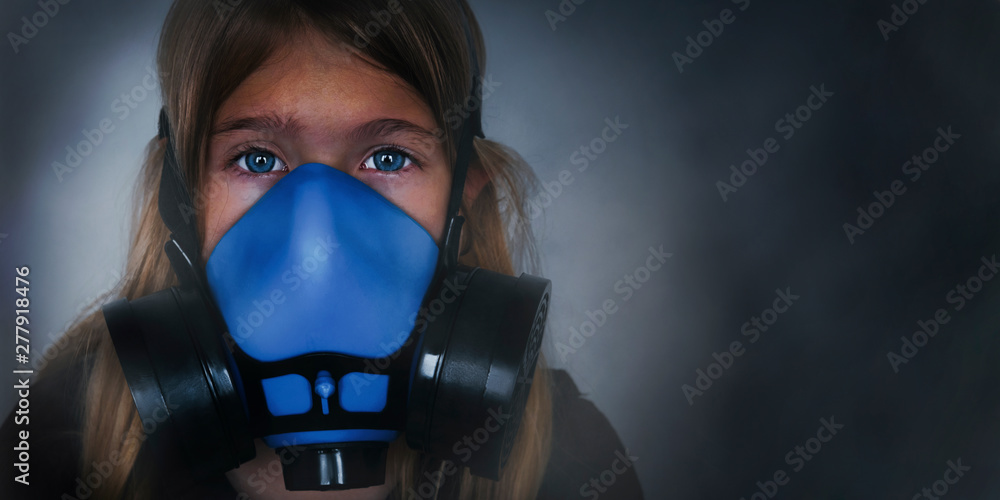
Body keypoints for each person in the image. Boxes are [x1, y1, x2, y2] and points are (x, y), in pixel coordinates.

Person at [1, 1, 643, 499]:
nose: (316, 238)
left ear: (463, 198)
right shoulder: (62, 440)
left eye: (387, 157)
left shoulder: (567, 455)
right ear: (182, 196)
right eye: (257, 159)